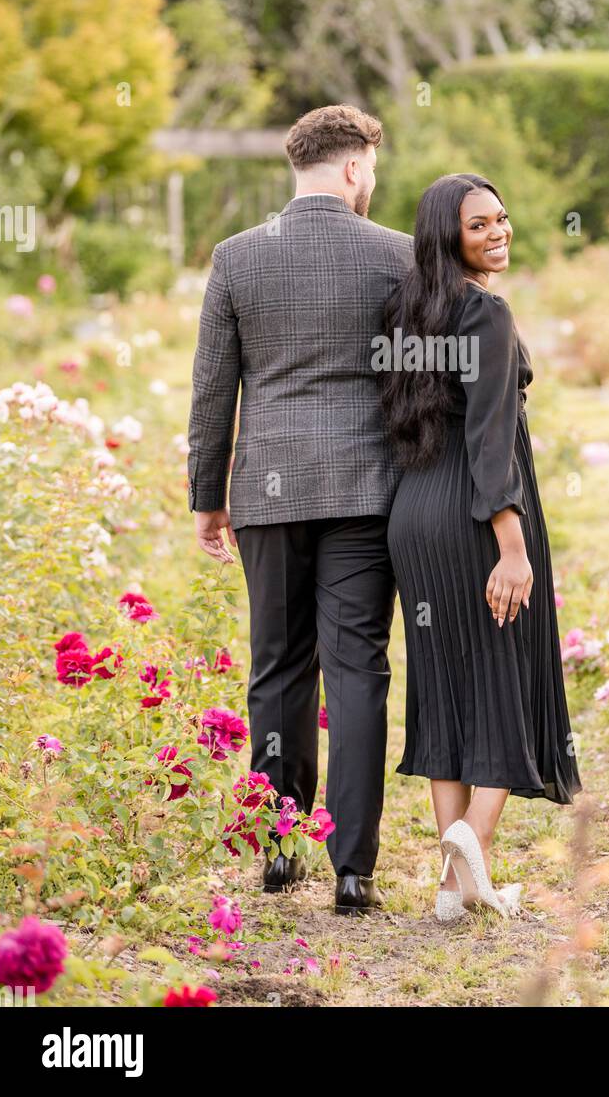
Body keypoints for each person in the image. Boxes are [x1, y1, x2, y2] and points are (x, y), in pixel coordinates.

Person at [187, 104, 413, 915]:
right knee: (358, 669)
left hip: (268, 492)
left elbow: (214, 390)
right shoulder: (398, 256)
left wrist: (207, 498)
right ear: (354, 168)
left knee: (278, 666)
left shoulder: (238, 258)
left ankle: (281, 848)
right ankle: (354, 867)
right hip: (364, 491)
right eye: (372, 171)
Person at [380, 173, 581, 922]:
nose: (498, 232)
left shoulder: (403, 312)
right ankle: (472, 835)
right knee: (506, 676)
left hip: (413, 517)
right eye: (478, 225)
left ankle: (453, 890)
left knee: (441, 685)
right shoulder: (486, 314)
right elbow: (491, 440)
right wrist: (512, 545)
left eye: (502, 218)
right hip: (472, 518)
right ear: (448, 236)